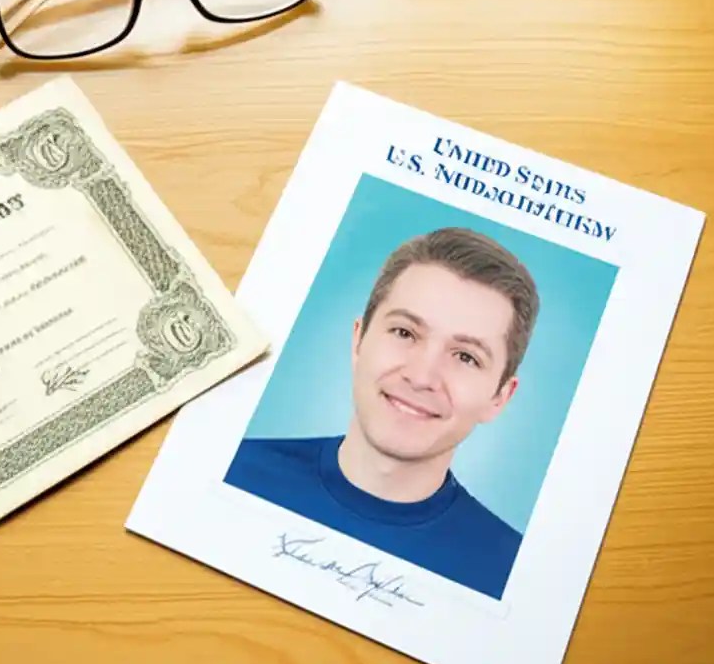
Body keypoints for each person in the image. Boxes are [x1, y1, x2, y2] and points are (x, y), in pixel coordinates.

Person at [225, 226, 540, 600]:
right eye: (405, 333)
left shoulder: (513, 579)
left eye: (466, 357)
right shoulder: (230, 467)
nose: (422, 377)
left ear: (500, 397)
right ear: (358, 340)